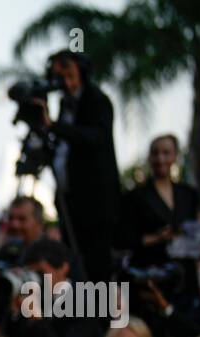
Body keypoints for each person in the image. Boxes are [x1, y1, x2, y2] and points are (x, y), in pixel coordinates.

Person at [38, 50, 121, 282]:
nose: (63, 81)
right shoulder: (65, 104)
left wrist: (54, 126)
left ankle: (97, 315)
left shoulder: (97, 101)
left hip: (95, 203)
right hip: (70, 201)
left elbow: (95, 138)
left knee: (95, 266)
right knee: (74, 260)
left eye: (68, 73)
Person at [120, 134, 200, 269]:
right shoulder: (135, 196)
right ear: (150, 157)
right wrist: (157, 238)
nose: (160, 159)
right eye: (155, 153)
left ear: (175, 156)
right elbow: (122, 239)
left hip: (185, 272)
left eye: (166, 153)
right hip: (150, 272)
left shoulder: (188, 194)